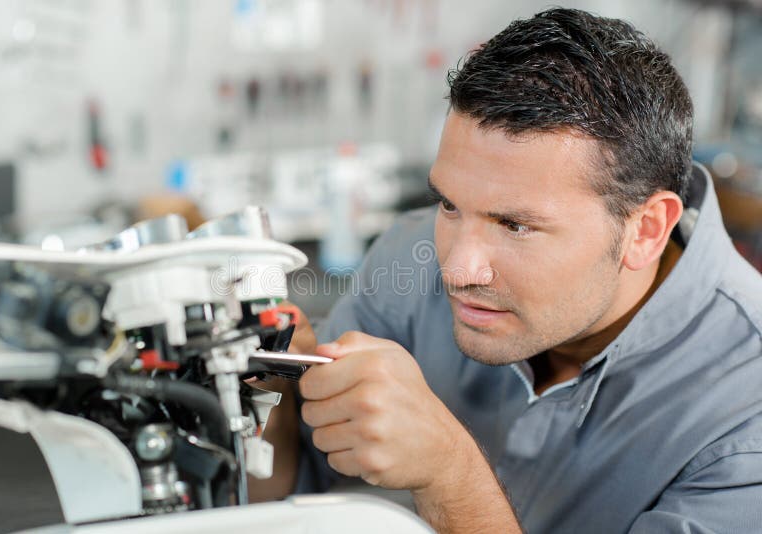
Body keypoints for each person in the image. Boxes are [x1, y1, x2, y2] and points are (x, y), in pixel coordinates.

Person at [252, 8, 762, 533]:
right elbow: (283, 492)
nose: (457, 270)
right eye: (449, 204)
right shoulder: (408, 256)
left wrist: (451, 475)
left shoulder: (746, 417)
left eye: (515, 225)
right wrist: (273, 392)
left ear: (647, 230)